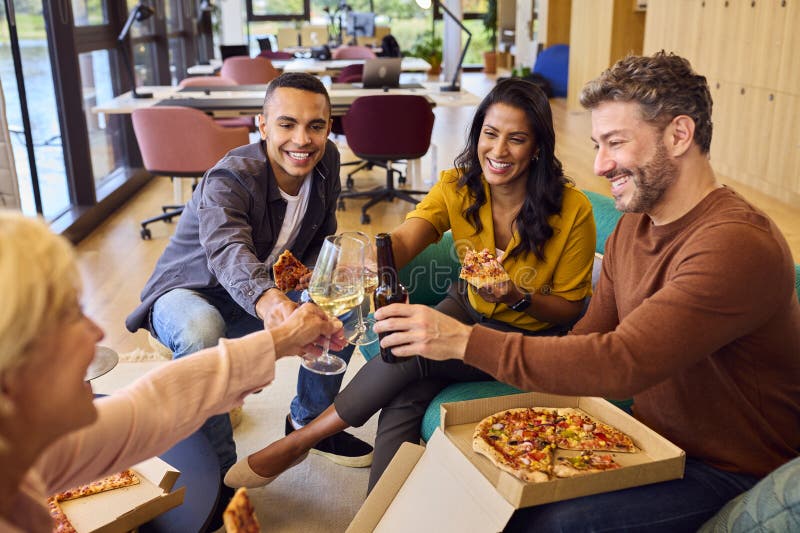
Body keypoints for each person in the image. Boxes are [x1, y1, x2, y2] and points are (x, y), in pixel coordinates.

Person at [370, 52, 800, 531]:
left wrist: (461, 342)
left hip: (726, 470)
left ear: (679, 135)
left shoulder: (734, 243)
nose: (599, 165)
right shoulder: (633, 229)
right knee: (478, 476)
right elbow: (587, 341)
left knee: (548, 521)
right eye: (597, 144)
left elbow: (621, 362)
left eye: (615, 143)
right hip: (648, 438)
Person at [224, 78, 598, 491]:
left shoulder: (572, 209)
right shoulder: (458, 185)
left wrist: (516, 296)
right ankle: (379, 516)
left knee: (411, 348)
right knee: (404, 396)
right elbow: (406, 238)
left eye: (517, 139)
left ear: (538, 147)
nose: (498, 150)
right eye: (490, 134)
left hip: (529, 334)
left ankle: (301, 438)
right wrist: (361, 267)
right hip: (466, 304)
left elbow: (569, 310)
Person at [0, 210, 345, 533]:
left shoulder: (31, 445)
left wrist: (281, 342)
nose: (97, 333)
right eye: (68, 317)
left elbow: (154, 405)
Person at [124, 72, 373, 518]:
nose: (303, 139)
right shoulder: (230, 176)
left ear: (329, 127)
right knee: (203, 331)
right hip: (190, 291)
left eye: (316, 126)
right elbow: (227, 250)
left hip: (266, 292)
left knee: (349, 297)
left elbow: (321, 235)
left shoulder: (327, 161)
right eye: (287, 124)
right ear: (262, 125)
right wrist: (275, 304)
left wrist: (323, 283)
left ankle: (309, 421)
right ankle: (217, 473)